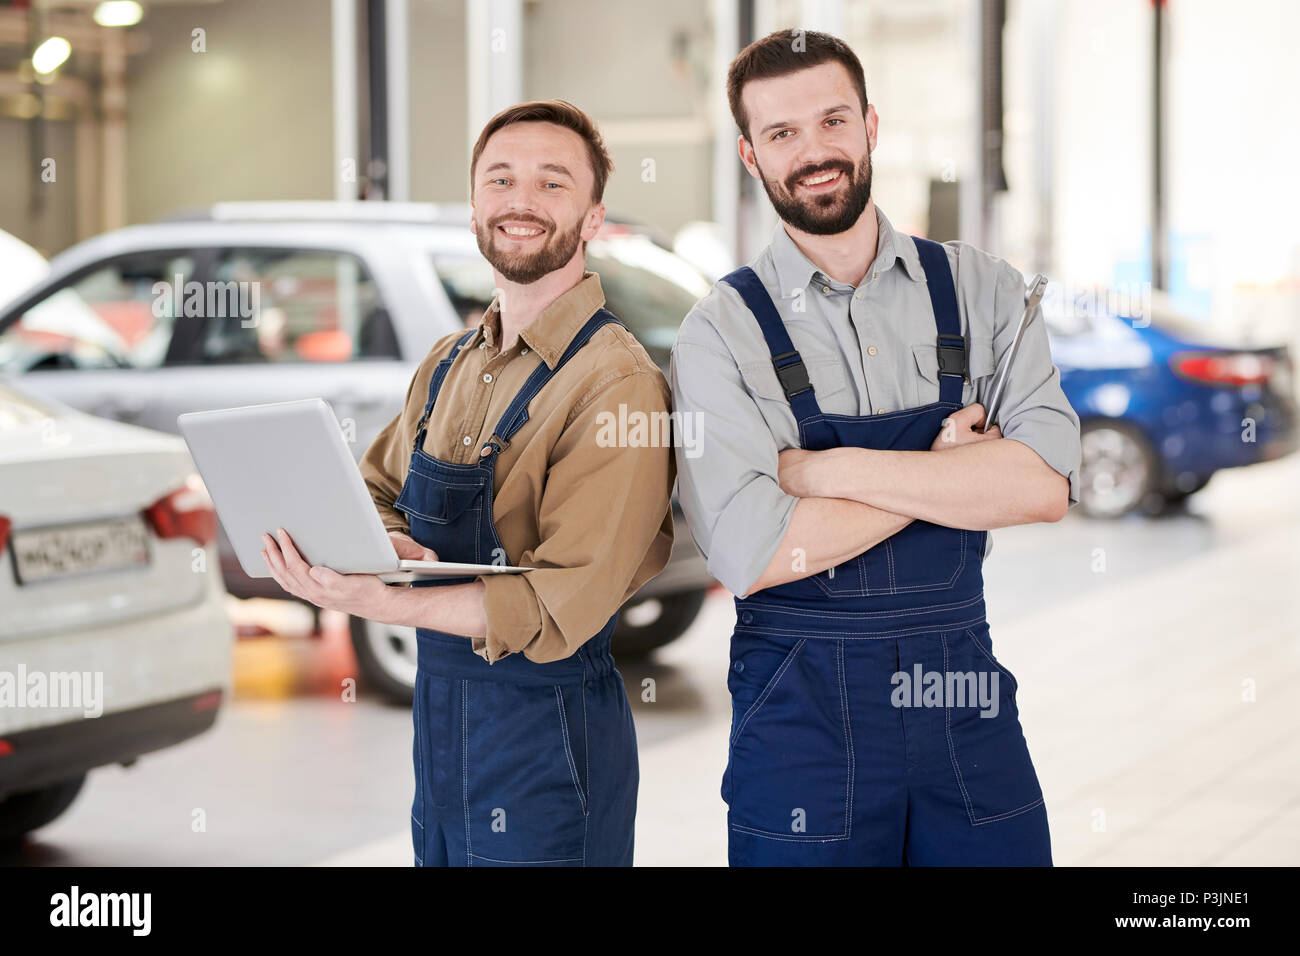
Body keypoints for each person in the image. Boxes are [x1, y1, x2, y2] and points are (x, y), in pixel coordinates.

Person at [670, 29, 1081, 866]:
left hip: (962, 692)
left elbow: (1041, 485)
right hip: (799, 714)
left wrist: (826, 472)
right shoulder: (719, 331)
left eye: (833, 120)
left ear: (871, 126)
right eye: (783, 134)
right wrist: (953, 472)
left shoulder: (983, 289)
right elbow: (758, 548)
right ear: (751, 156)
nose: (814, 151)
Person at [261, 99, 675, 867]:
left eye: (553, 183)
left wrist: (381, 600)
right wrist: (382, 542)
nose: (521, 201)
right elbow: (377, 487)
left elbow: (563, 604)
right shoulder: (451, 362)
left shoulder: (615, 382)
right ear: (476, 205)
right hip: (444, 725)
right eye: (500, 179)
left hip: (549, 738)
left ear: (592, 218)